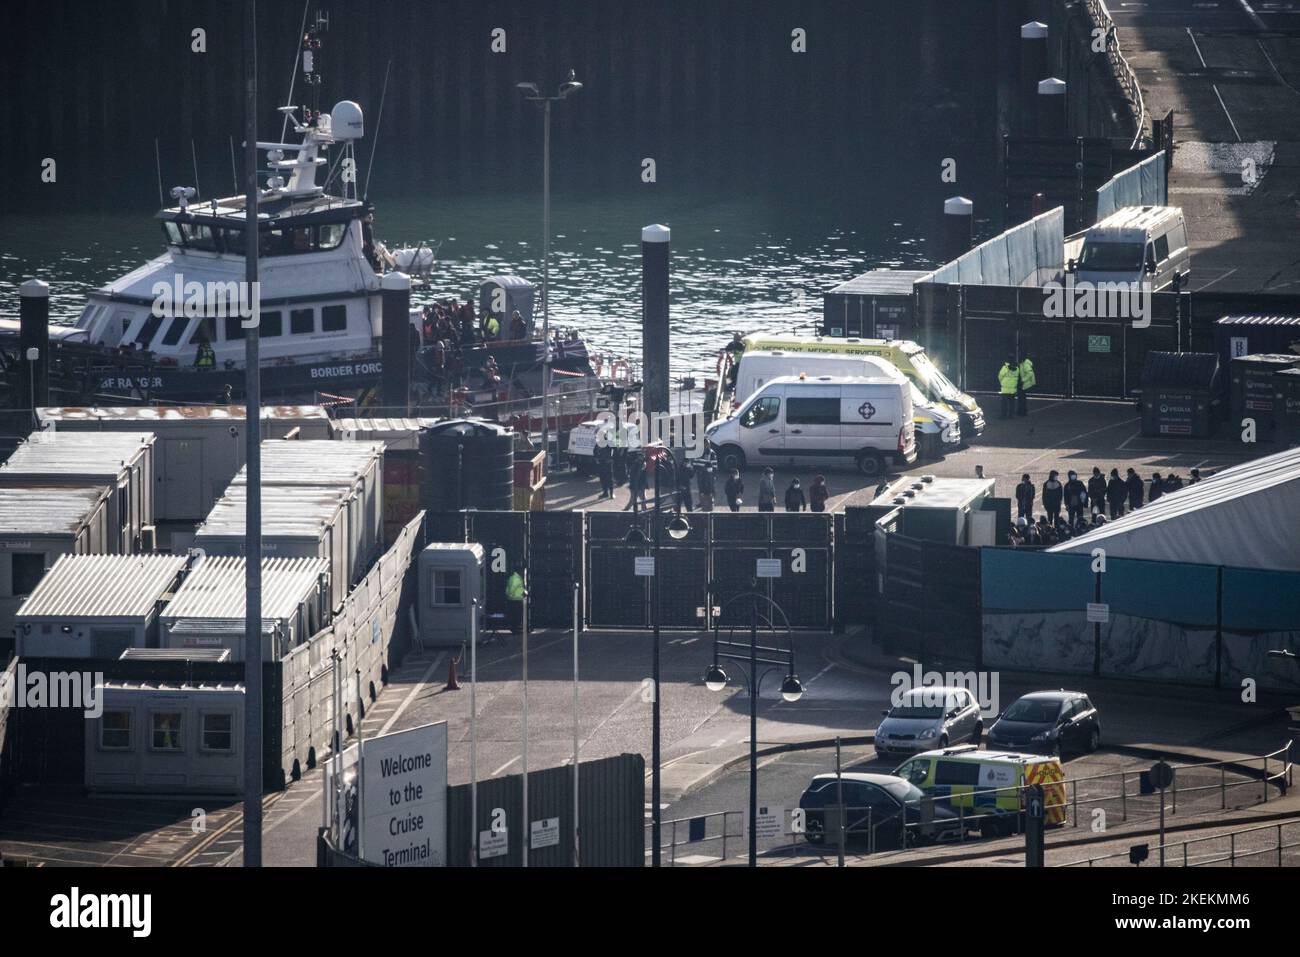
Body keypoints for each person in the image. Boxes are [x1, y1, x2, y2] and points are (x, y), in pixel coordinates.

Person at [997, 355, 1019, 419]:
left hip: (1005, 388)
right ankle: (1011, 415)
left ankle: (1003, 416)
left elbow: (1000, 376)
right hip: (1013, 388)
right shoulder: (1017, 368)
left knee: (1004, 403)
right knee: (1012, 403)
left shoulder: (1005, 367)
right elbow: (1017, 377)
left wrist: (1002, 382)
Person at [505, 566, 526, 635]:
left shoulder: (513, 577)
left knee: (514, 615)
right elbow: (513, 588)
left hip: (513, 599)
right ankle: (515, 629)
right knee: (517, 615)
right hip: (516, 599)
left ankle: (514, 628)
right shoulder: (516, 578)